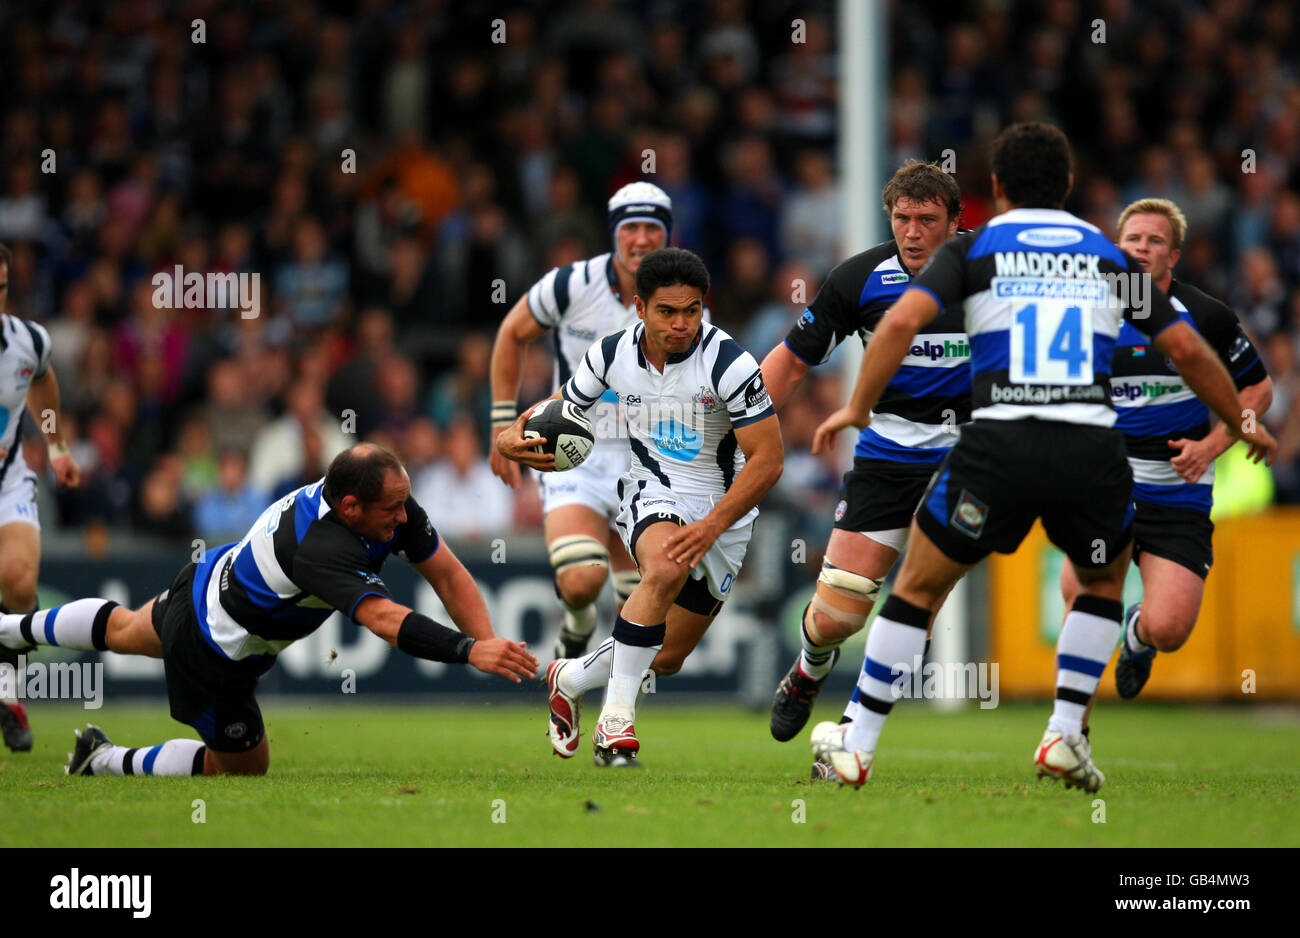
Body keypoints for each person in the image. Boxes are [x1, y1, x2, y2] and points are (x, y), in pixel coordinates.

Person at [809, 123, 1276, 792]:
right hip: (1089, 447)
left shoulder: (977, 247)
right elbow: (1189, 351)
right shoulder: (1106, 255)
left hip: (997, 444)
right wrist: (1241, 420)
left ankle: (858, 746)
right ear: (1067, 186)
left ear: (996, 188)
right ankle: (1062, 735)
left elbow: (903, 322)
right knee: (1102, 583)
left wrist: (857, 407)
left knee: (916, 587)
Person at [0, 443, 537, 776]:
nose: (405, 517)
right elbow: (385, 621)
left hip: (207, 582)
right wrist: (471, 650)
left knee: (121, 629)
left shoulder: (373, 500)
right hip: (213, 650)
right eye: (392, 508)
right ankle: (105, 760)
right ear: (351, 507)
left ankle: (7, 628)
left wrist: (492, 643)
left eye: (404, 502)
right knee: (241, 768)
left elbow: (445, 571)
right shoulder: (322, 548)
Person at [497, 248, 783, 765]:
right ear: (639, 307)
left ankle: (571, 675)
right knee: (666, 567)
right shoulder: (608, 354)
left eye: (691, 311)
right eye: (667, 312)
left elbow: (769, 460)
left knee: (667, 655)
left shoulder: (731, 362)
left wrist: (715, 524)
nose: (680, 324)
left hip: (725, 510)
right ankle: (616, 726)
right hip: (652, 487)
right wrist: (508, 438)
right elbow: (558, 408)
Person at [759, 161, 969, 778]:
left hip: (966, 458)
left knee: (918, 599)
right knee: (836, 616)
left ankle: (852, 734)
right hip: (887, 452)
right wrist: (732, 428)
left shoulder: (986, 276)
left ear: (957, 223)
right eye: (903, 218)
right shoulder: (858, 279)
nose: (912, 231)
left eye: (927, 220)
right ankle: (809, 668)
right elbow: (793, 363)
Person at [1061, 199, 1271, 705]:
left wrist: (1214, 444)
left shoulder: (1205, 316)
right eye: (1133, 239)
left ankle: (1137, 635)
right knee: (1081, 589)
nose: (1142, 248)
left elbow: (1257, 391)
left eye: (1155, 241)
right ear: (1117, 247)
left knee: (1170, 629)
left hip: (1179, 492)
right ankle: (1071, 730)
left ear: (1172, 257)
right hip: (1109, 484)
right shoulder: (1087, 311)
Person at [489, 183, 674, 661]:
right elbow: (512, 333)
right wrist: (501, 421)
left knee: (642, 606)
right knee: (580, 581)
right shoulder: (571, 284)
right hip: (574, 448)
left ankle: (606, 708)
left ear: (666, 235)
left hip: (644, 460)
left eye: (651, 227)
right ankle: (578, 619)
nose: (640, 238)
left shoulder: (682, 299)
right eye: (629, 227)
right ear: (614, 234)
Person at [0, 242, 83, 753]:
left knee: (19, 580)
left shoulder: (28, 341)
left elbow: (44, 380)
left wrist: (55, 445)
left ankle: (8, 692)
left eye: (2, 288)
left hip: (8, 480)